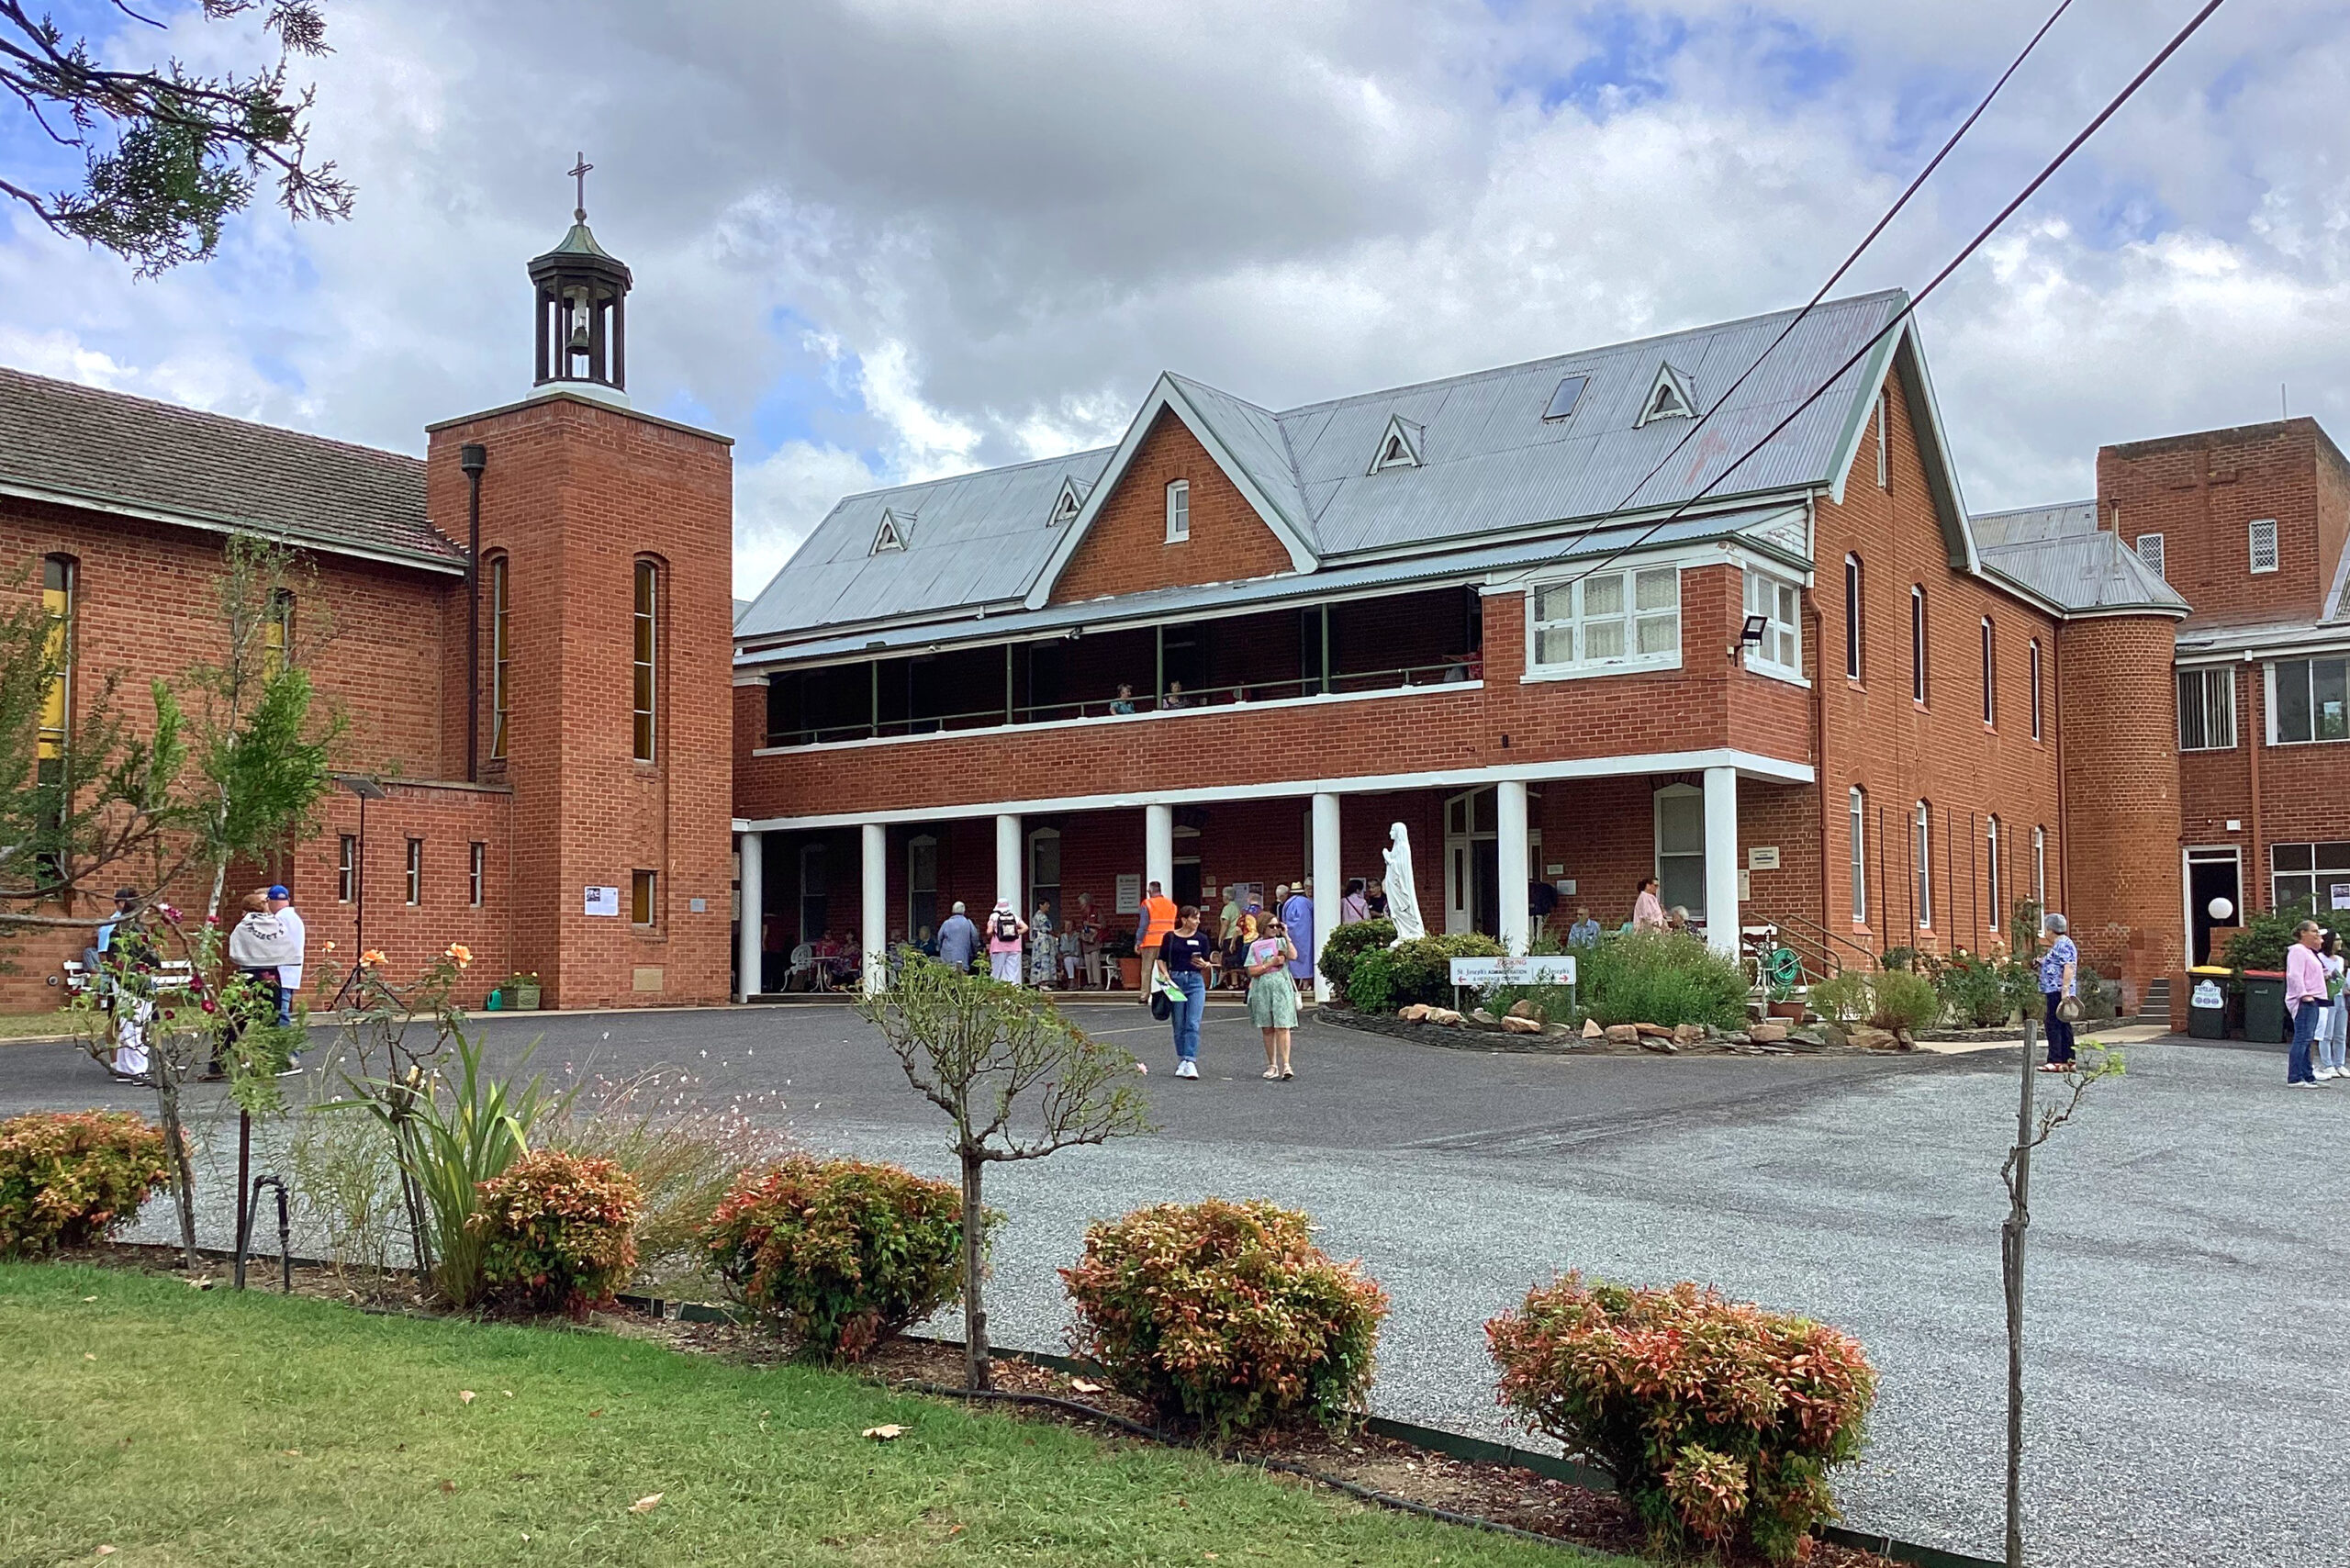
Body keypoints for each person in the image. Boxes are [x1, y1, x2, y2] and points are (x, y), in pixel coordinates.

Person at [1156, 903, 1214, 1079]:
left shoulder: (1202, 939)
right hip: (1176, 980)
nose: (1197, 921)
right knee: (1179, 1023)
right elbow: (1161, 959)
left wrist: (1206, 965)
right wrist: (1166, 976)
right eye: (1194, 918)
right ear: (1183, 919)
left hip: (1195, 980)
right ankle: (1182, 1059)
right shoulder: (1170, 937)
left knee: (1193, 1023)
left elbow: (1206, 960)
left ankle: (1190, 1060)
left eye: (1198, 918)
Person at [1248, 914, 1300, 1080]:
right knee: (1267, 1027)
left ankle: (1286, 1065)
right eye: (1272, 926)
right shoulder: (1254, 946)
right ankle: (1272, 1065)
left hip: (1281, 987)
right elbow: (1251, 971)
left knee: (1283, 1025)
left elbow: (1293, 955)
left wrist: (1286, 935)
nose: (1275, 929)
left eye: (1277, 926)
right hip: (1262, 988)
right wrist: (1270, 963)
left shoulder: (1282, 942)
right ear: (1263, 927)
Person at [2286, 917, 2327, 1087]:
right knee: (2302, 1038)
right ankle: (2294, 1077)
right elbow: (2294, 974)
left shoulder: (2310, 952)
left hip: (2314, 998)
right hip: (2305, 1000)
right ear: (2303, 933)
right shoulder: (2297, 950)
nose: (2317, 934)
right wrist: (2303, 994)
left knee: (2307, 1039)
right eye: (2314, 931)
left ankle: (2307, 1075)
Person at [2038, 913, 2080, 1073]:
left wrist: (2065, 989)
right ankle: (2068, 1060)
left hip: (2058, 990)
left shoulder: (2062, 944)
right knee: (2063, 1024)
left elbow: (2069, 966)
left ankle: (2055, 1060)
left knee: (2054, 1024)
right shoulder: (2061, 944)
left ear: (2050, 930)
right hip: (2055, 989)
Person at [266, 883, 305, 1028]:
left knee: (279, 1015)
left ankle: (288, 1048)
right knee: (281, 1011)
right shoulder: (295, 918)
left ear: (270, 901)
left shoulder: (278, 919)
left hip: (280, 973)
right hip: (291, 972)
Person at [1136, 879, 1176, 1006]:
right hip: (1167, 942)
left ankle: (1144, 996)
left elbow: (1143, 925)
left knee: (1146, 970)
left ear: (1150, 891)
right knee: (1164, 970)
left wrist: (1138, 941)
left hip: (1150, 942)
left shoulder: (1147, 904)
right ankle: (1167, 994)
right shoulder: (1171, 905)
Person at [2321, 930, 2348, 1081]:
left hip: (2340, 997)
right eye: (2337, 939)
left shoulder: (2340, 960)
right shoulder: (2319, 958)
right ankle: (2327, 1063)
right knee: (2327, 1033)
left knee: (2340, 1033)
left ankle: (2340, 1063)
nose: (2340, 942)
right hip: (2327, 997)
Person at [1281, 879, 1315, 988]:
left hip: (1292, 934)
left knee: (1293, 957)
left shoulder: (1288, 903)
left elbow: (1284, 918)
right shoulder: (1307, 902)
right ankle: (1305, 982)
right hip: (1306, 934)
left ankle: (1294, 982)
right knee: (1307, 957)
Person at [986, 900, 1027, 984]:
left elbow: (989, 931)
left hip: (998, 948)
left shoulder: (994, 917)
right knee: (1012, 973)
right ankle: (1013, 992)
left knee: (996, 973)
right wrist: (1016, 933)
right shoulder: (1014, 917)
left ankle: (995, 992)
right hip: (1014, 948)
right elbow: (1025, 927)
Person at [935, 901, 979, 971]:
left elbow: (939, 938)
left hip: (947, 958)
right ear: (964, 911)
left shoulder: (946, 923)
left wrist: (940, 949)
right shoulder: (968, 923)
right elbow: (975, 938)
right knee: (962, 977)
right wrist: (974, 951)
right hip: (963, 958)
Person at [1073, 893, 1105, 989]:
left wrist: (1091, 924)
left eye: (1082, 904)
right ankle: (1090, 982)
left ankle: (1097, 982)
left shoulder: (1096, 911)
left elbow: (1102, 925)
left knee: (1095, 961)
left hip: (1095, 940)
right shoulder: (1083, 914)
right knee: (1088, 962)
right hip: (1086, 941)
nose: (1080, 906)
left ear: (1087, 903)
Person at [1028, 900, 1056, 987]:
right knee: (1043, 960)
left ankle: (1044, 981)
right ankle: (1043, 981)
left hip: (1043, 940)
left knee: (1044, 960)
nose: (1048, 906)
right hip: (1042, 941)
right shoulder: (1040, 916)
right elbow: (1048, 929)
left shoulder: (1042, 916)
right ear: (1041, 905)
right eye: (1046, 904)